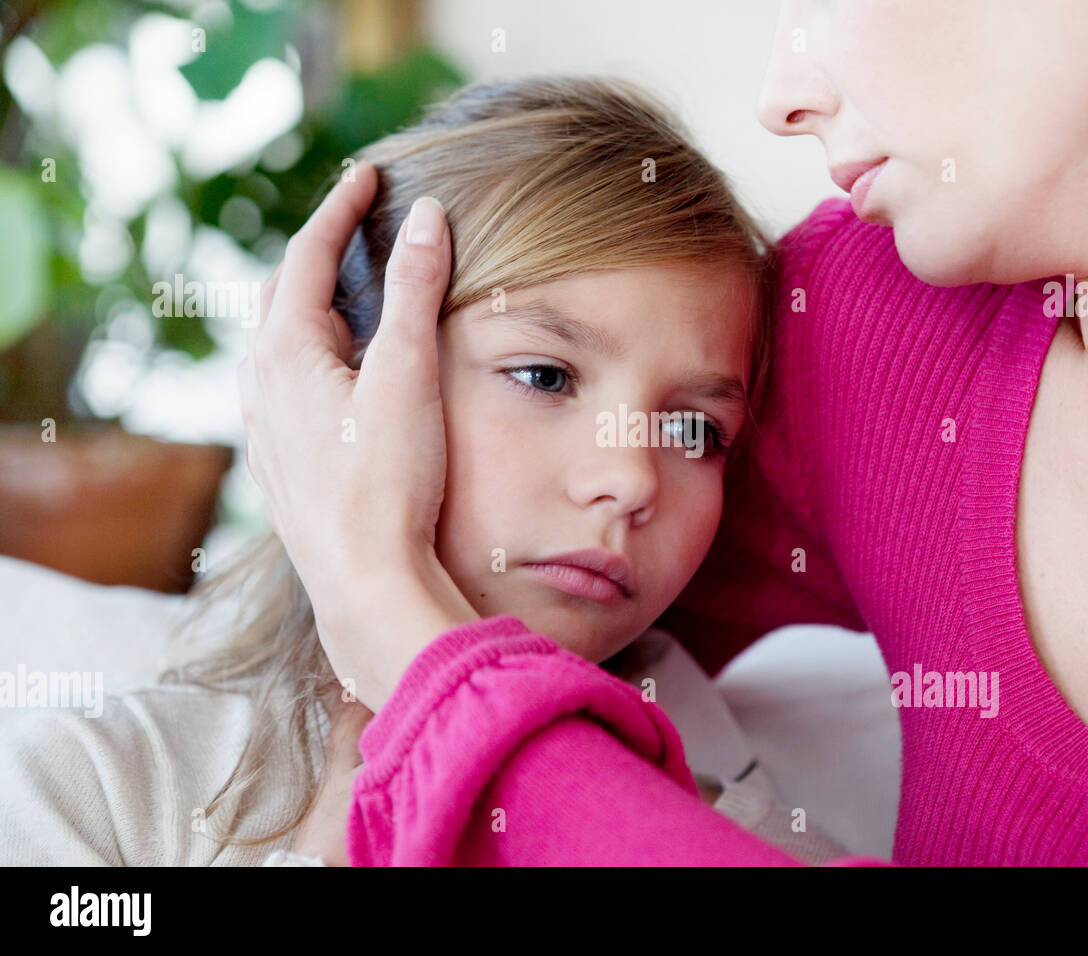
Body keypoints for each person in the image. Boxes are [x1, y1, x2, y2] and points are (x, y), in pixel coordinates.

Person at [242, 0, 1088, 865]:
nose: (781, 97)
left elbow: (413, 624)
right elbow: (495, 587)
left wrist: (399, 627)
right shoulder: (862, 326)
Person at [0, 76, 851, 866]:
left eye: (693, 429)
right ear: (339, 387)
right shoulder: (90, 792)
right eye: (545, 376)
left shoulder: (741, 834)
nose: (632, 480)